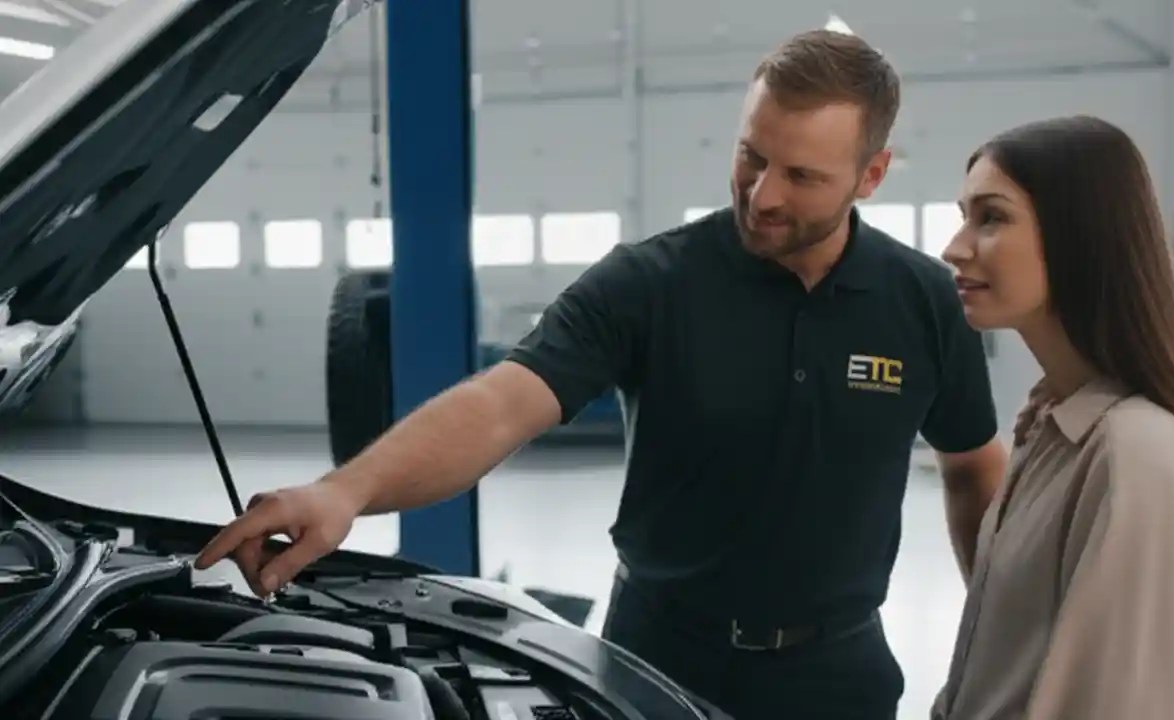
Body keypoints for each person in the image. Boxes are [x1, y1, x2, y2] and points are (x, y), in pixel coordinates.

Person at [195, 29, 1008, 719]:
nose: (762, 195)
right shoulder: (650, 284)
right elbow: (501, 405)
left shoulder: (925, 301)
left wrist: (995, 624)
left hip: (839, 674)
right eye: (751, 157)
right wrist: (347, 492)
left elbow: (973, 466)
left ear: (870, 177)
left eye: (802, 177)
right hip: (656, 660)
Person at [935, 115, 1174, 720]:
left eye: (991, 217)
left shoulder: (1138, 453)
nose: (956, 246)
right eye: (962, 215)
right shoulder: (1052, 427)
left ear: (1078, 235)